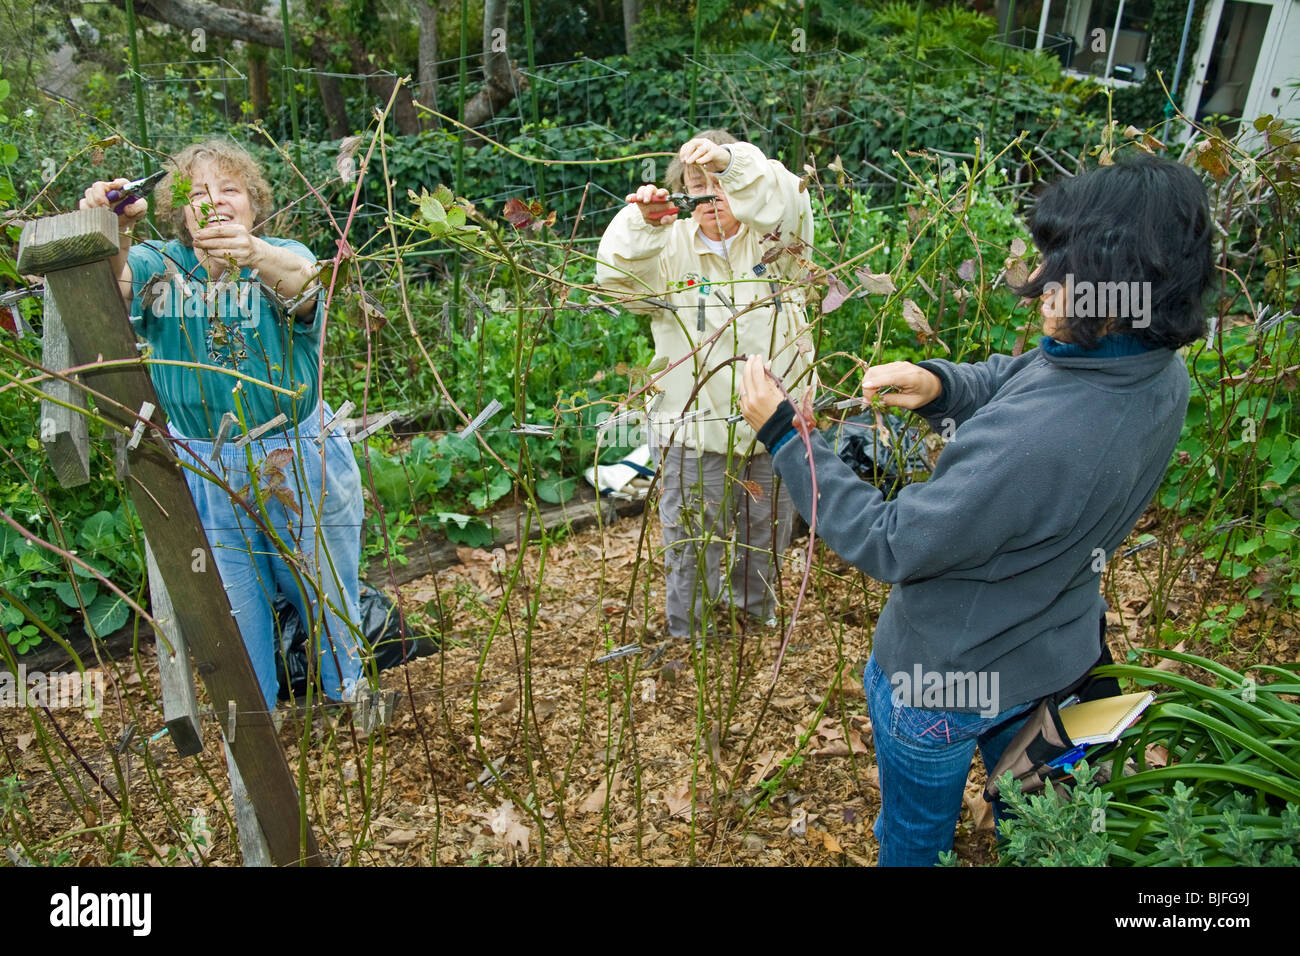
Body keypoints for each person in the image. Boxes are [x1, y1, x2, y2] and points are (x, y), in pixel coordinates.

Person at [739, 153, 1213, 865]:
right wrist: (940, 385)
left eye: (1062, 277)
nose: (1041, 290)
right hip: (1057, 658)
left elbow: (888, 539)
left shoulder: (1034, 443)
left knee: (914, 840)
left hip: (939, 682)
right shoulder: (1154, 370)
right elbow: (1031, 375)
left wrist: (782, 435)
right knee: (1038, 824)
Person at [81, 139, 364, 709]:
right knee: (237, 600)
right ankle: (257, 724)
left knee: (324, 586)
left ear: (253, 204)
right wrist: (108, 226)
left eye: (229, 189)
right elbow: (114, 287)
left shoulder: (280, 254)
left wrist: (252, 252)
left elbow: (308, 283)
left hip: (297, 450)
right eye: (198, 193)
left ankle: (348, 697)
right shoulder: (161, 265)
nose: (214, 202)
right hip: (206, 463)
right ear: (180, 213)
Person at [595, 131, 816, 640]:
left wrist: (729, 162)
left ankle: (755, 620)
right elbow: (617, 281)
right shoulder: (668, 249)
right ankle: (690, 635)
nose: (711, 196)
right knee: (692, 538)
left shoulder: (779, 245)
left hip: (775, 422)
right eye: (698, 185)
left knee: (766, 534)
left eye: (723, 183)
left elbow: (787, 199)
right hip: (692, 430)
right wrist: (642, 224)